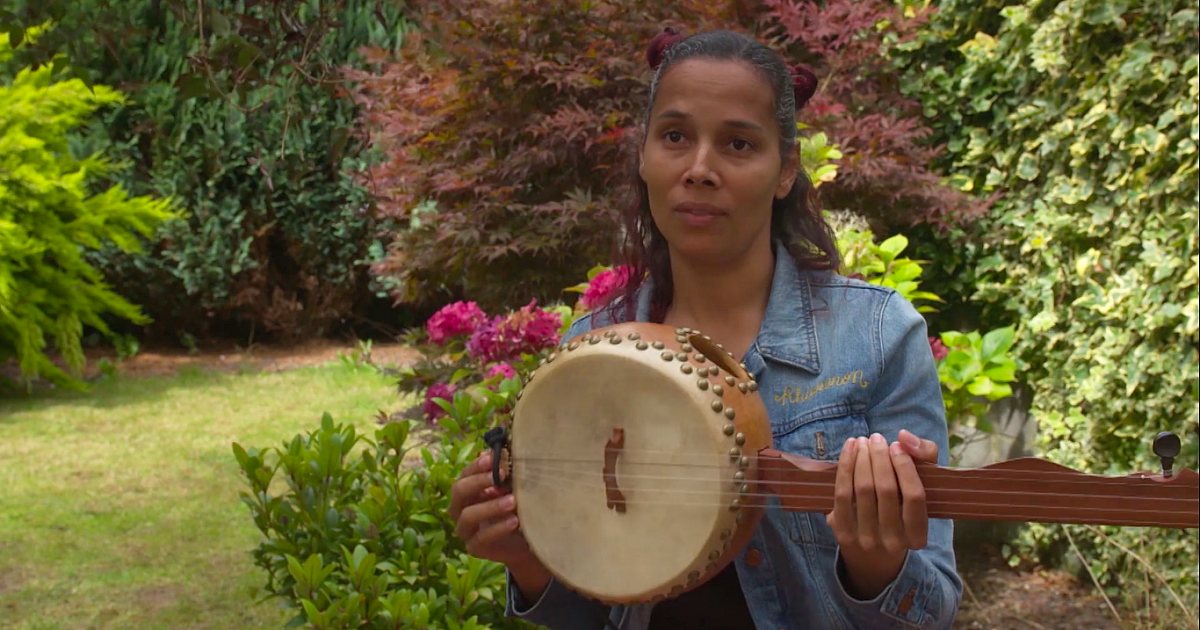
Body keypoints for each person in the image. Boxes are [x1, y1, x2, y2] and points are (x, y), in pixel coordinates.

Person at [448, 27, 963, 630]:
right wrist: (528, 562)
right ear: (644, 155)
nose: (699, 169)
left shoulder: (875, 336)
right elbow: (584, 614)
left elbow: (933, 608)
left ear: (785, 170)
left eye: (738, 144)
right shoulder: (591, 354)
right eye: (675, 136)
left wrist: (878, 565)